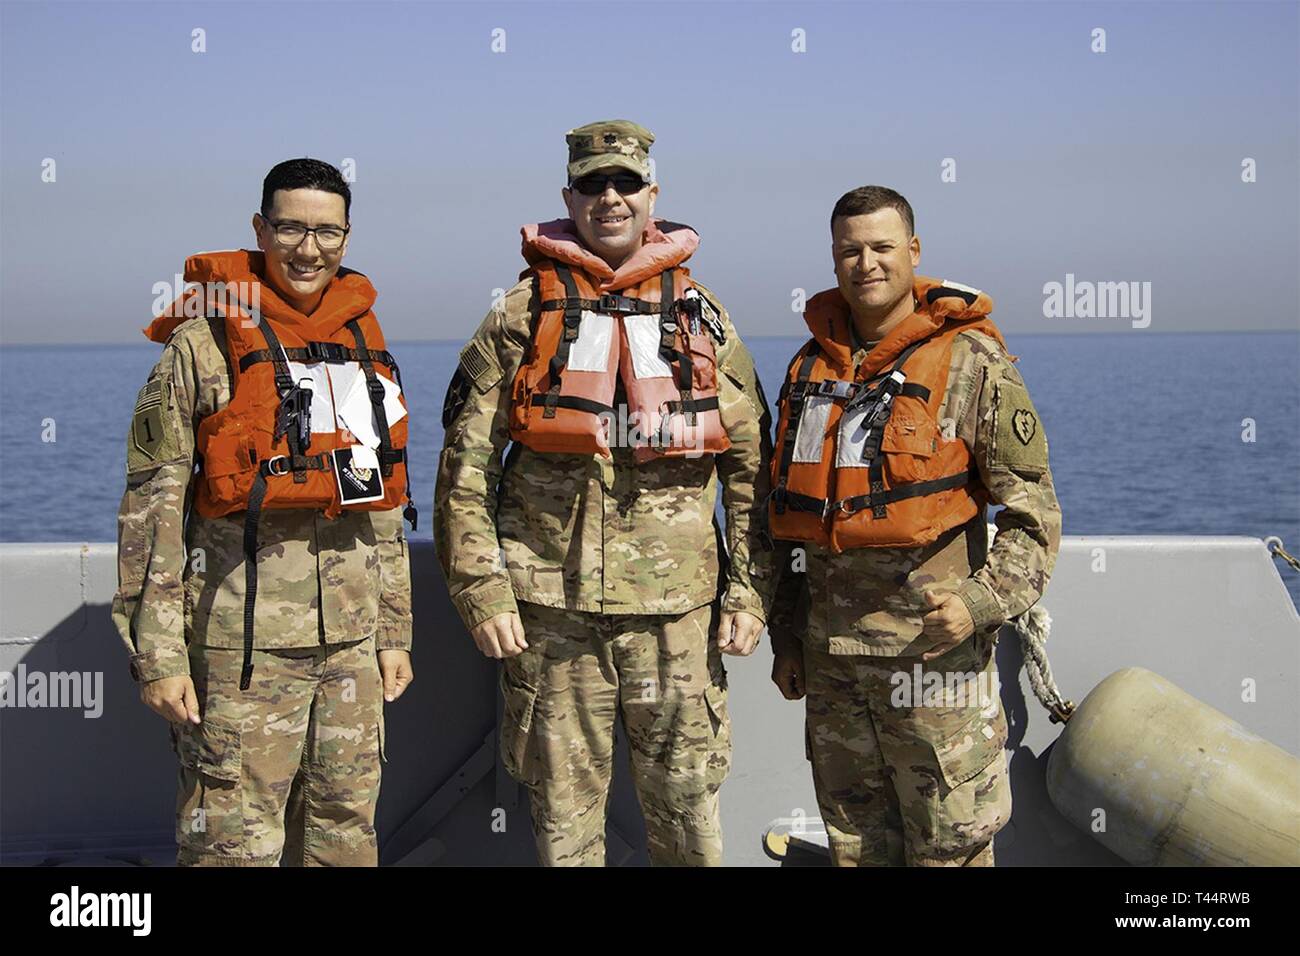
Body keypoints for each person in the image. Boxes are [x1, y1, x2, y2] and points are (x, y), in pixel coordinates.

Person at [435, 120, 774, 866]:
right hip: (552, 619)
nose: (610, 198)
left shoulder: (704, 317)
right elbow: (464, 465)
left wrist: (750, 594)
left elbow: (754, 469)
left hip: (680, 618)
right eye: (593, 185)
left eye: (625, 183)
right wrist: (481, 591)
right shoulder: (520, 317)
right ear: (569, 197)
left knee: (689, 824)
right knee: (564, 827)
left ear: (653, 195)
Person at [111, 158, 415, 866]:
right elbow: (149, 511)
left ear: (347, 237)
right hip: (238, 651)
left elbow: (382, 504)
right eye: (290, 228)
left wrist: (394, 632)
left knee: (345, 836)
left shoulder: (361, 341)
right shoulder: (201, 346)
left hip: (351, 648)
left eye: (327, 233)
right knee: (231, 845)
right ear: (260, 228)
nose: (308, 249)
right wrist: (156, 656)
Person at [767, 185, 1062, 867]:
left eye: (881, 247)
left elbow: (1034, 517)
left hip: (934, 669)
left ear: (914, 252)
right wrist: (787, 633)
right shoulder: (809, 370)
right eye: (850, 250)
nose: (865, 263)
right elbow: (784, 526)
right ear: (834, 258)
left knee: (949, 852)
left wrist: (977, 604)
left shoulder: (970, 364)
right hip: (834, 670)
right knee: (857, 850)